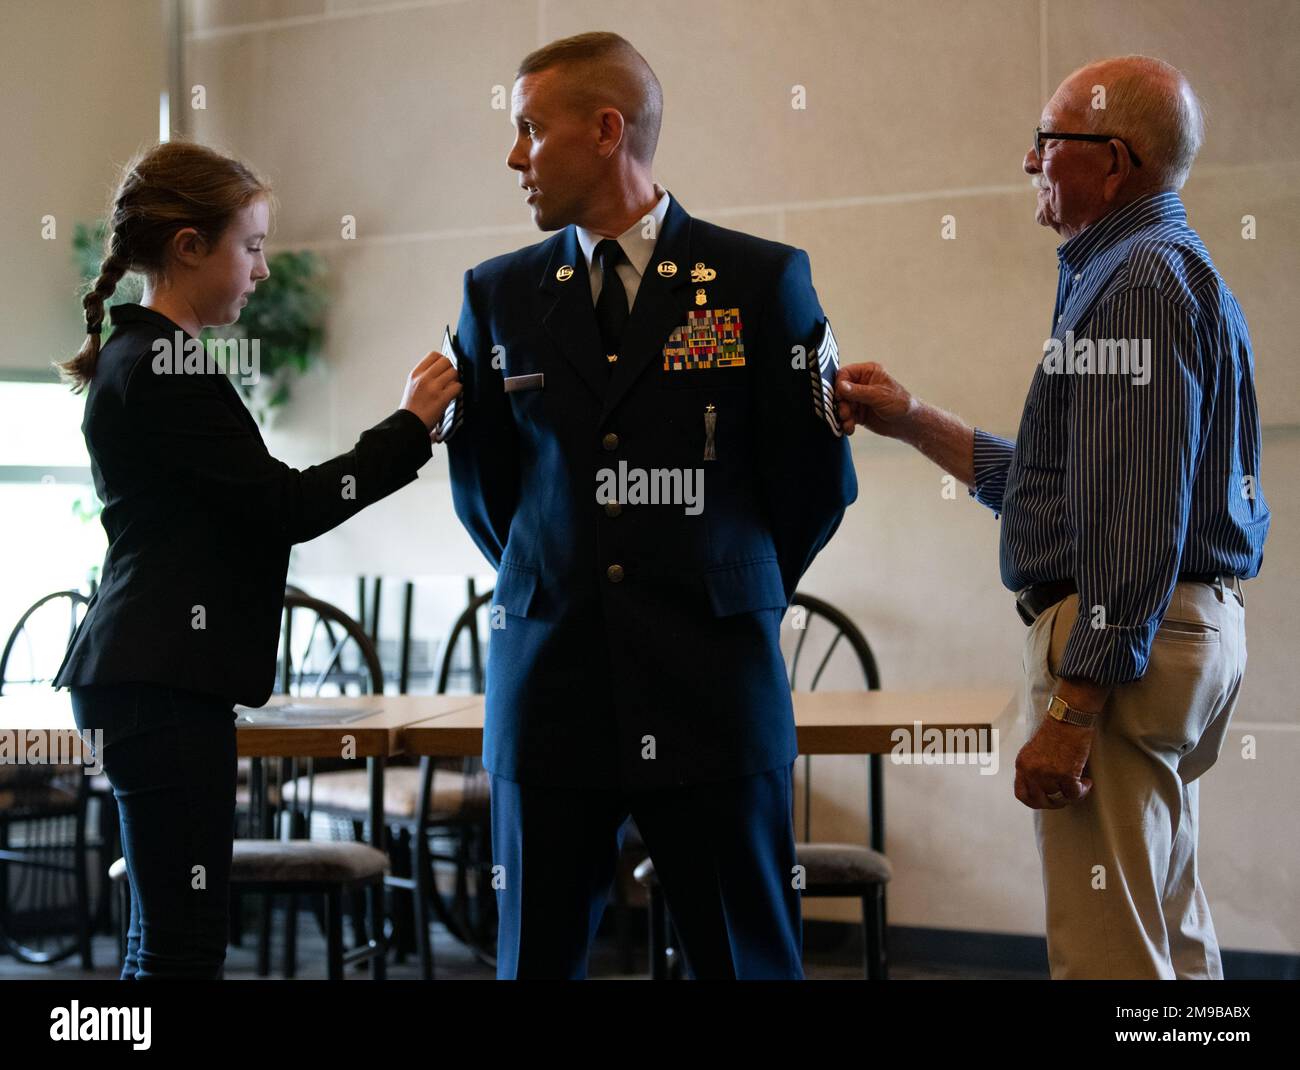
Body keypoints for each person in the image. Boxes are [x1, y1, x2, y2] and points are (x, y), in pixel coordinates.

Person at [835, 56, 1270, 978]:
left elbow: (1134, 520)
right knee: (1165, 936)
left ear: (1112, 162)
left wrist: (1074, 709)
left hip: (1123, 647)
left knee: (1111, 957)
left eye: (1046, 141)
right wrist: (911, 420)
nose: (1029, 160)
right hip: (1176, 632)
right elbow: (1069, 494)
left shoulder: (1136, 282)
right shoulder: (1152, 270)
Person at [444, 32, 856, 979]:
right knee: (535, 964)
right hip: (551, 686)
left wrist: (726, 583)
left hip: (712, 683)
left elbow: (813, 482)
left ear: (606, 130)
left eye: (530, 130)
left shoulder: (759, 281)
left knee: (745, 962)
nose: (513, 156)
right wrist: (570, 574)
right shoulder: (498, 295)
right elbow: (486, 492)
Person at [52, 140, 460, 979]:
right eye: (252, 246)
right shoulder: (159, 366)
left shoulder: (150, 357)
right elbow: (287, 507)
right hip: (158, 680)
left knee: (166, 943)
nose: (263, 270)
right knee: (181, 948)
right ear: (189, 246)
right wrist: (409, 427)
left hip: (148, 676)